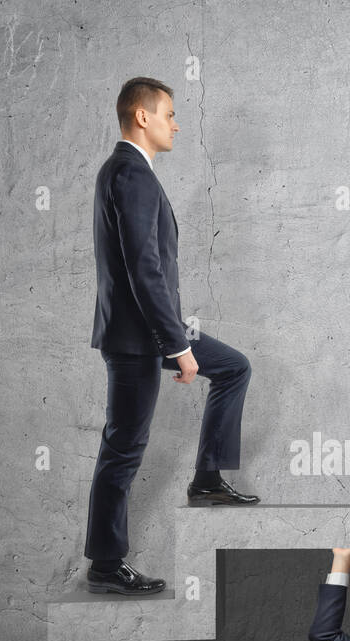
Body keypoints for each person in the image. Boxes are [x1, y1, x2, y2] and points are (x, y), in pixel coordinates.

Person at [84, 76, 259, 596]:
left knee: (233, 366)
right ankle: (106, 564)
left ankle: (207, 479)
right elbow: (144, 270)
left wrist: (178, 331)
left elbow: (146, 269)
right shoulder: (131, 174)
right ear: (143, 116)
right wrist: (178, 346)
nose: (177, 123)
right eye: (169, 114)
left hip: (146, 327)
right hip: (138, 336)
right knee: (123, 448)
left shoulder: (127, 172)